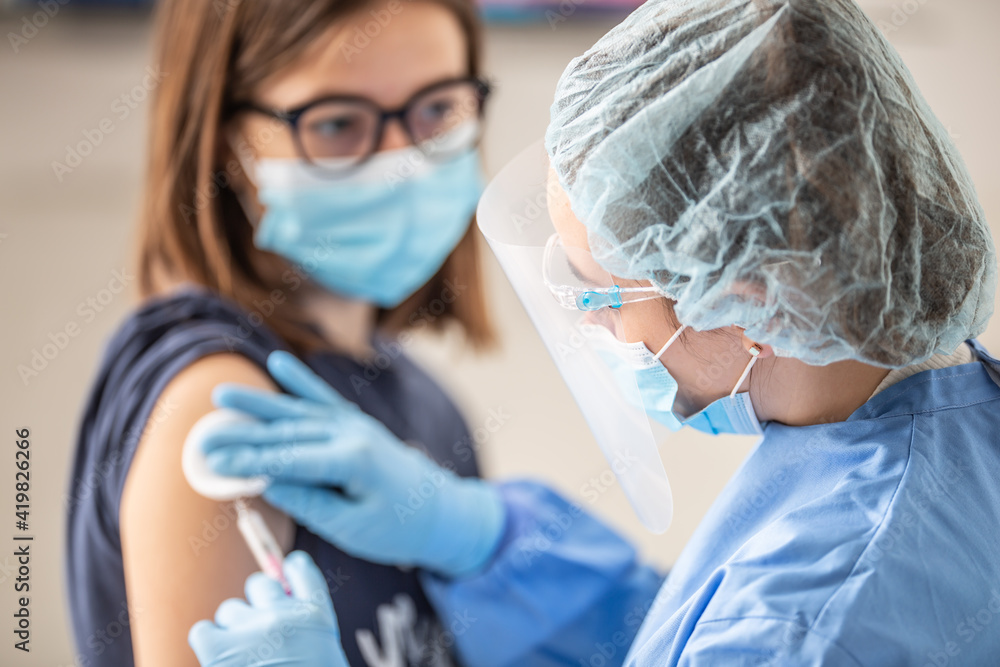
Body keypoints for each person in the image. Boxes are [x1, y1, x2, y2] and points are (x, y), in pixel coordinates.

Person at [188, 0, 1000, 664]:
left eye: (601, 290)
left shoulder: (806, 627)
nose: (593, 321)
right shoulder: (946, 412)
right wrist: (482, 538)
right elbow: (682, 629)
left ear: (744, 298)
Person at [62, 0, 520, 665]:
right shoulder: (221, 404)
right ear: (228, 143)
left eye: (437, 109)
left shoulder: (427, 401)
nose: (402, 161)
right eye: (337, 122)